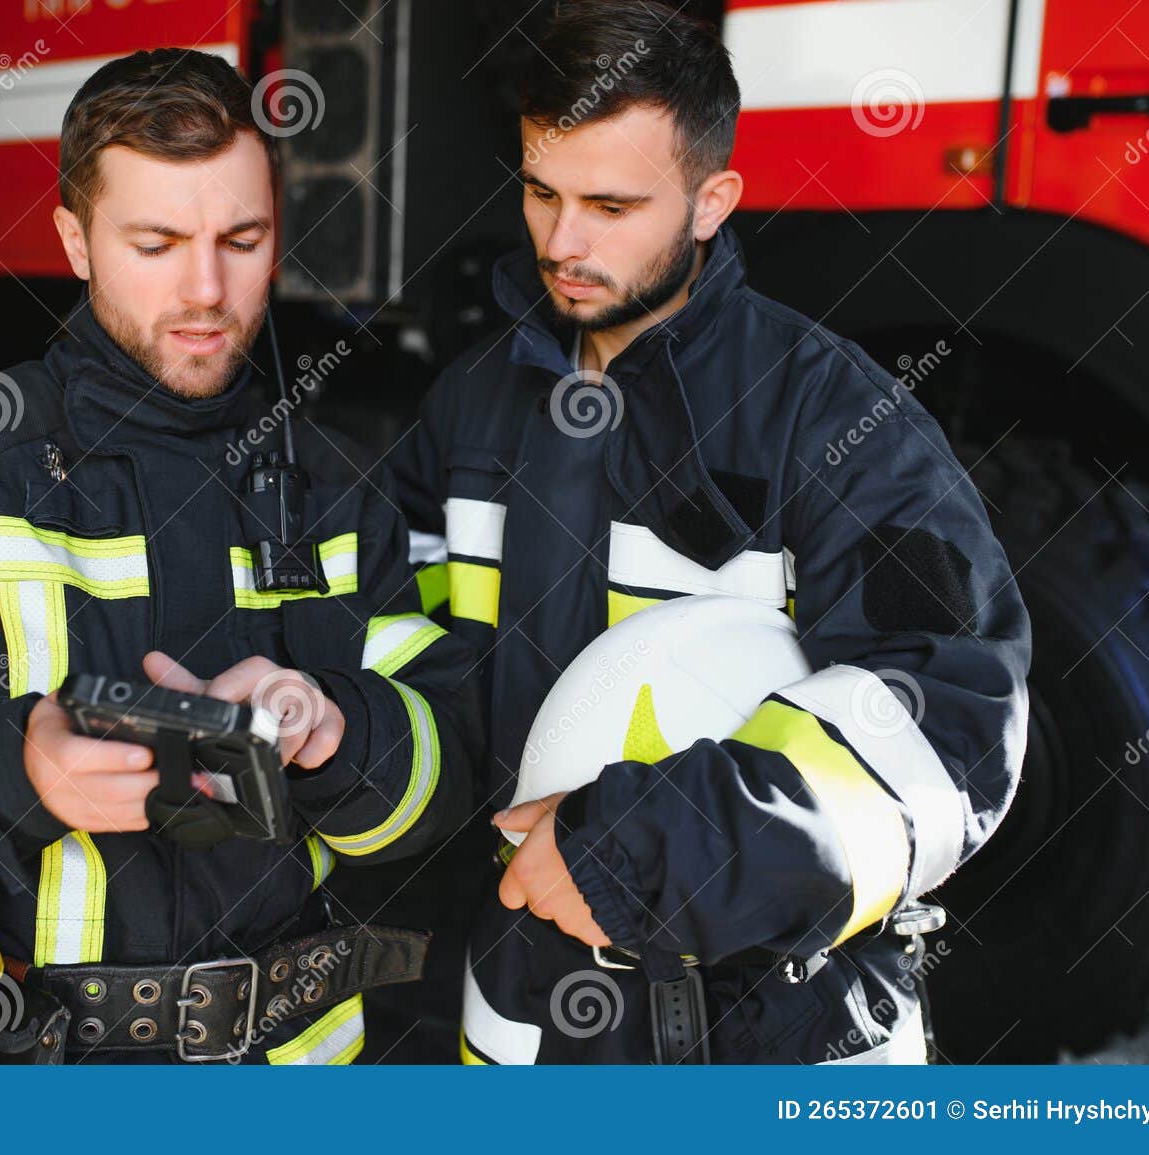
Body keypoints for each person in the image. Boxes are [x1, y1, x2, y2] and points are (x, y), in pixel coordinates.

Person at [0, 47, 479, 1065]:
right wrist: (13, 774)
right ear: (75, 242)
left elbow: (444, 783)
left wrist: (335, 733)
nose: (207, 288)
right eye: (157, 242)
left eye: (242, 239)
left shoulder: (338, 486)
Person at [391, 0, 1031, 1064]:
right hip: (526, 1014)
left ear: (710, 201)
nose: (563, 241)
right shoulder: (468, 408)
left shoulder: (831, 420)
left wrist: (634, 857)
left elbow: (947, 720)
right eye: (541, 192)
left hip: (772, 1033)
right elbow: (403, 656)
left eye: (610, 202)